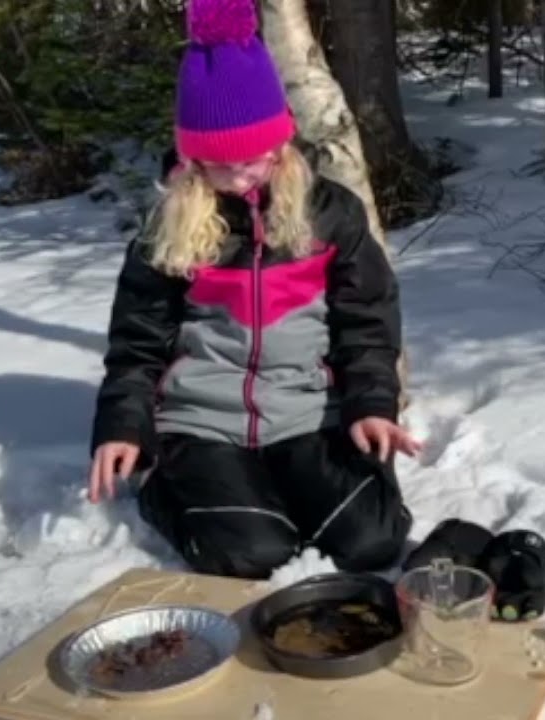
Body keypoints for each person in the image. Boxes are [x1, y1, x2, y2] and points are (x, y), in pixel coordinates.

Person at [86, 0, 421, 580]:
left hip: (309, 413)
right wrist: (124, 425)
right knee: (253, 553)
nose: (243, 177)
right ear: (193, 160)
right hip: (200, 422)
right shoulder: (166, 230)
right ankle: (165, 485)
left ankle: (283, 488)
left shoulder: (329, 216)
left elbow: (366, 323)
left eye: (258, 159)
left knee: (373, 542)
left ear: (283, 142)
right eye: (223, 165)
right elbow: (137, 342)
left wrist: (370, 404)